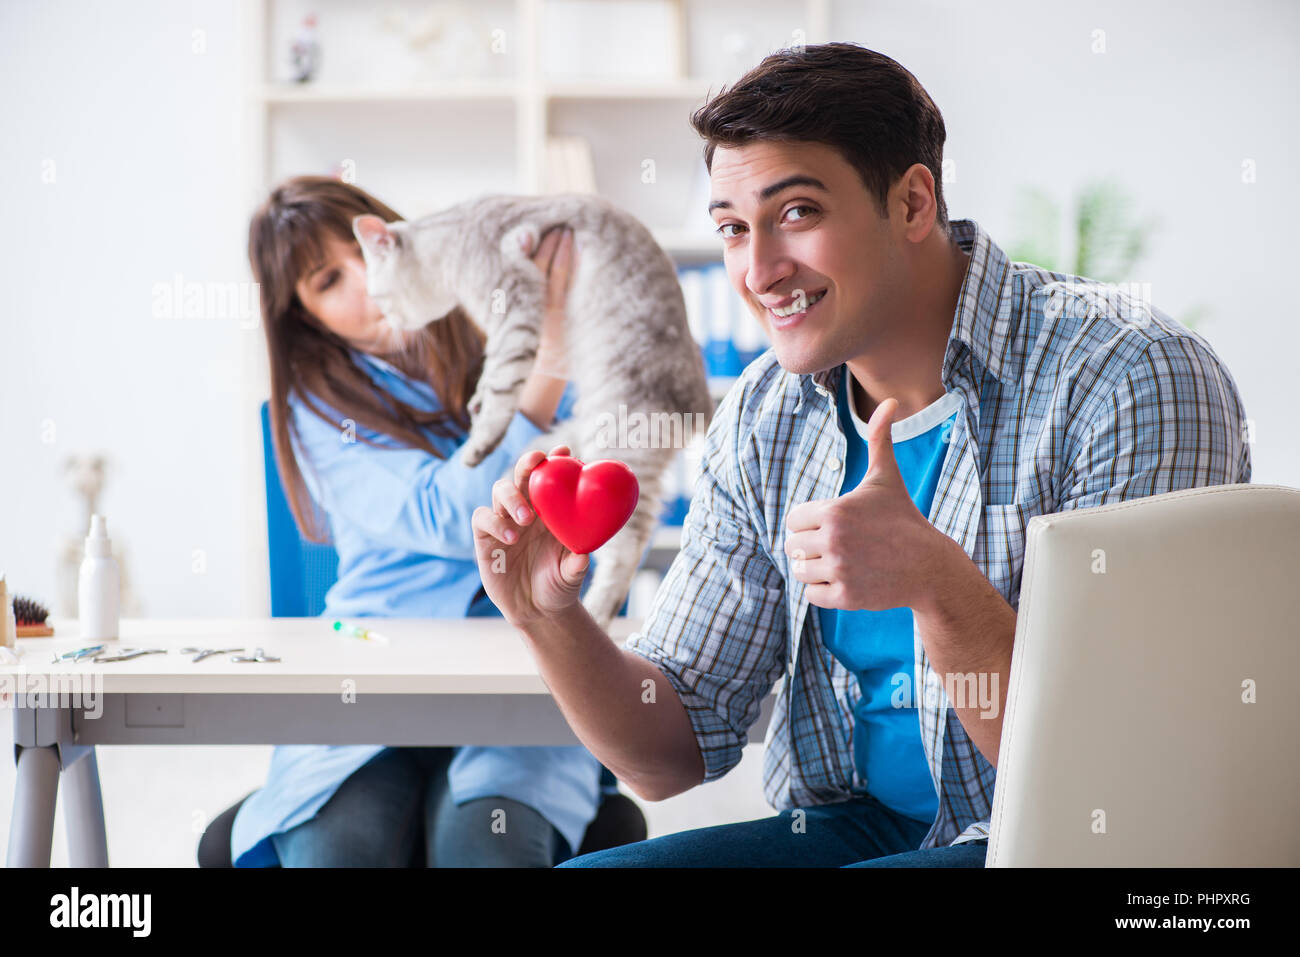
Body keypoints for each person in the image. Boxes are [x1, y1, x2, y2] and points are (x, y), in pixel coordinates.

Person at [470, 42, 1252, 867]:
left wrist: (937, 586)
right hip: (856, 830)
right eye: (732, 229)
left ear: (912, 202)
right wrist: (547, 617)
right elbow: (669, 753)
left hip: (1070, 844)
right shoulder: (767, 411)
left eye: (797, 213)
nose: (759, 271)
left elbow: (1116, 779)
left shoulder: (1130, 377)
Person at [231, 174, 604, 867]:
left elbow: (588, 519)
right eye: (328, 280)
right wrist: (545, 364)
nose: (367, 281)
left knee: (484, 849)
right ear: (305, 317)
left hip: (518, 673)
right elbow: (448, 516)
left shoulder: (498, 329)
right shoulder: (317, 409)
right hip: (373, 678)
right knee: (338, 853)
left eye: (366, 251)